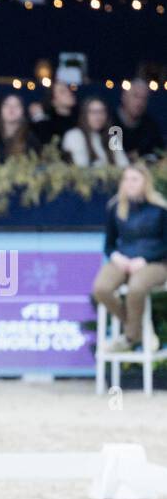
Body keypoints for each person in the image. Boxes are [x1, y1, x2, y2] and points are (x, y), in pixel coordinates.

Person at [91, 163, 167, 353]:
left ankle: (129, 337)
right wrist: (117, 257)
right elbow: (109, 244)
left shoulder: (160, 209)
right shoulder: (115, 208)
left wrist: (145, 259)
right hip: (123, 259)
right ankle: (139, 332)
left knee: (137, 287)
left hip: (155, 262)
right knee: (101, 288)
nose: (129, 184)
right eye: (126, 179)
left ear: (145, 182)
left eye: (134, 179)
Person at [63, 97, 129, 167]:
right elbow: (80, 168)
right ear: (84, 115)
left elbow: (124, 165)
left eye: (102, 112)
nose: (98, 116)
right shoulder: (74, 136)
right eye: (93, 112)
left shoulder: (112, 138)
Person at [115, 79, 165, 160]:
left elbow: (159, 152)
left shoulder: (150, 125)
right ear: (124, 97)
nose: (140, 102)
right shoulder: (109, 122)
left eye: (144, 98)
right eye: (136, 96)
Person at [0, 93, 41, 160]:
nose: (11, 108)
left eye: (16, 105)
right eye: (7, 105)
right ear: (0, 110)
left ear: (22, 111)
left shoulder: (31, 138)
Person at [29, 82, 77, 149]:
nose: (69, 93)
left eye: (68, 90)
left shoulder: (81, 119)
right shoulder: (46, 125)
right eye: (62, 92)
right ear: (53, 101)